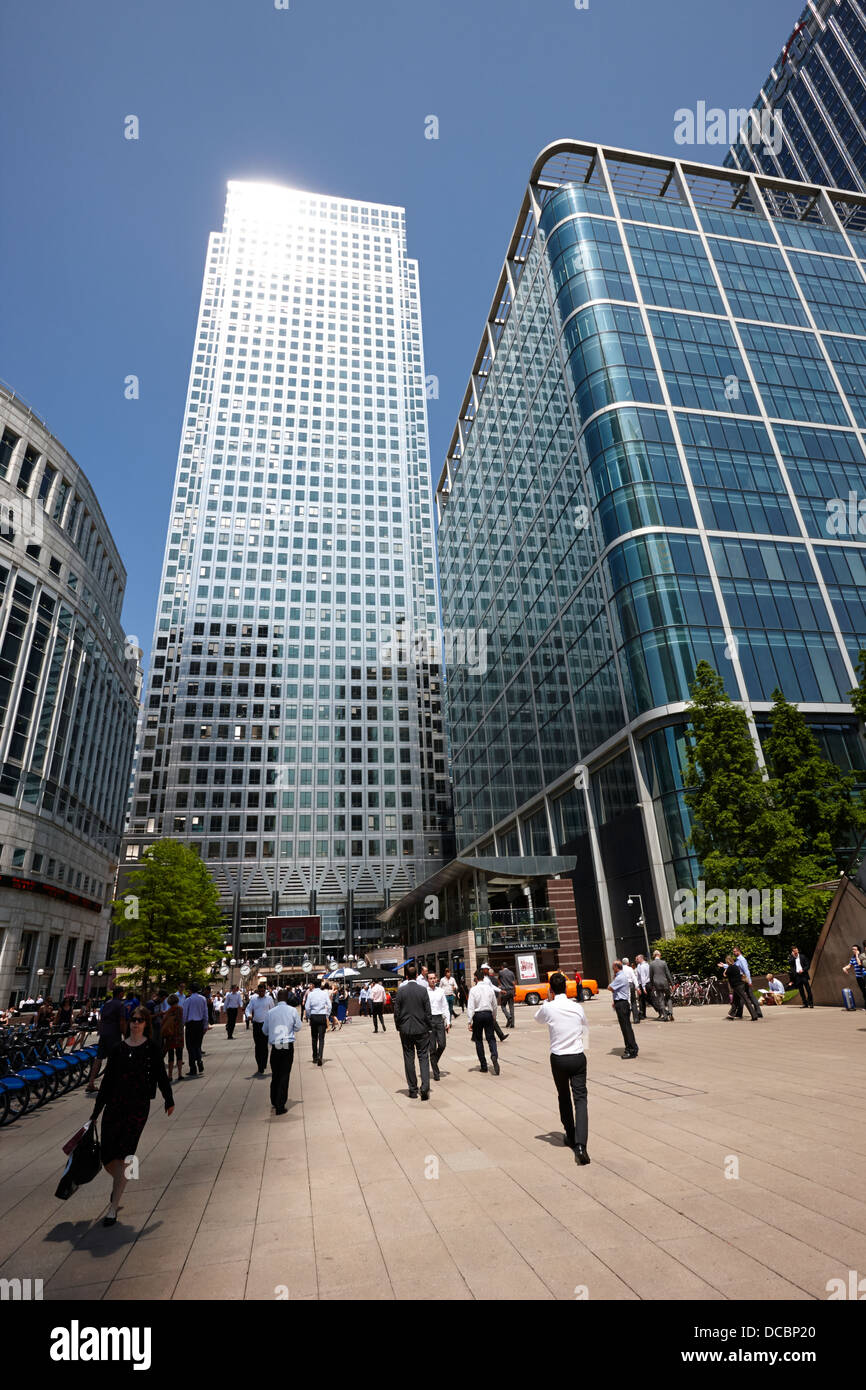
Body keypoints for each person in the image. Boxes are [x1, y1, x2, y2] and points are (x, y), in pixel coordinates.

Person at [91, 1006, 174, 1227]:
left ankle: (113, 1206)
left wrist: (169, 1098)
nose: (135, 1023)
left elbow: (160, 1074)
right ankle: (123, 1178)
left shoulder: (151, 1049)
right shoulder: (118, 1049)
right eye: (133, 1020)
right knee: (108, 1156)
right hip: (115, 1104)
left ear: (146, 1024)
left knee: (125, 1153)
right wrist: (95, 1113)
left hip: (138, 1106)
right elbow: (107, 1081)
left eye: (139, 1020)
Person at [535, 970, 590, 1164]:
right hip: (577, 1056)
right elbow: (585, 1028)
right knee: (581, 1099)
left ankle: (570, 1133)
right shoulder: (576, 1007)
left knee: (563, 1096)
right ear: (566, 987)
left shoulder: (549, 1007)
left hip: (558, 1058)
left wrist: (546, 1001)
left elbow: (537, 1018)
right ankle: (581, 1145)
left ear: (551, 989)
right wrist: (583, 1047)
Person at [393, 965, 433, 1099]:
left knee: (409, 1058)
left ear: (406, 977)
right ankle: (425, 1087)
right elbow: (428, 1011)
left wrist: (398, 1026)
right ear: (416, 976)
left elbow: (396, 1012)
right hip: (422, 1029)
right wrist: (429, 1026)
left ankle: (412, 1089)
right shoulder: (423, 990)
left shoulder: (401, 991)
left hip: (406, 1030)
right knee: (423, 1058)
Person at [262, 988, 303, 1114]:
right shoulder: (292, 1010)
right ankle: (280, 1104)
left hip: (276, 1045)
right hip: (286, 1044)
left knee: (276, 1073)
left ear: (277, 998)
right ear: (287, 998)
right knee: (284, 1074)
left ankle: (274, 1100)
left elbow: (264, 1030)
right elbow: (298, 1027)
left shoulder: (270, 1012)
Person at [85, 986, 127, 1092]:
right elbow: (122, 1021)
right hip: (114, 1034)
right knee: (114, 1059)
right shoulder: (120, 1005)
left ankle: (91, 1083)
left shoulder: (106, 1004)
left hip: (104, 1033)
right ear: (120, 993)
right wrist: (125, 1035)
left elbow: (100, 1019)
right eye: (123, 992)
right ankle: (111, 1083)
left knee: (99, 1058)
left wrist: (101, 1030)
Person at [467, 968, 500, 1075]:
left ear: (476, 978)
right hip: (488, 1014)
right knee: (491, 1038)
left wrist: (469, 1020)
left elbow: (470, 1006)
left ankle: (483, 1065)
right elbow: (494, 1004)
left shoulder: (473, 990)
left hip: (478, 1015)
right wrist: (494, 1016)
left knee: (478, 1040)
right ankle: (494, 1055)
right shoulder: (490, 989)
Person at [608, 961, 639, 1058]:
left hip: (622, 1004)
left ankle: (631, 1049)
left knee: (626, 1028)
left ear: (617, 967)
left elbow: (609, 987)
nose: (612, 969)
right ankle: (630, 1047)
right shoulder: (620, 976)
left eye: (613, 967)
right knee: (625, 1027)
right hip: (621, 1002)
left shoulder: (620, 977)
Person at [246, 981, 275, 1073]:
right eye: (260, 991)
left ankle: (264, 1063)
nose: (261, 993)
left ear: (265, 991)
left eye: (263, 991)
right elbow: (248, 1009)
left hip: (265, 1025)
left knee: (264, 1045)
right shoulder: (254, 999)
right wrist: (249, 1015)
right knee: (258, 1046)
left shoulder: (269, 999)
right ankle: (259, 1065)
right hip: (256, 1024)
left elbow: (273, 1010)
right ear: (257, 991)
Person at [719, 955, 760, 1020]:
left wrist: (725, 968)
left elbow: (724, 975)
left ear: (727, 962)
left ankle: (754, 1015)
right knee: (735, 1001)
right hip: (740, 985)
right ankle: (731, 1015)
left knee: (746, 1000)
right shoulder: (736, 967)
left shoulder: (730, 968)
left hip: (737, 986)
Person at [426, 973, 451, 1081]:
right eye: (430, 978)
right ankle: (436, 1072)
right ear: (427, 980)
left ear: (436, 979)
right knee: (432, 1048)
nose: (432, 980)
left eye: (434, 978)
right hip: (430, 1020)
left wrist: (448, 1021)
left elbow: (445, 1007)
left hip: (439, 1020)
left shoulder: (441, 991)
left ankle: (434, 1061)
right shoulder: (424, 992)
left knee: (442, 1044)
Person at [182, 983, 209, 1076]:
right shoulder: (203, 999)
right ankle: (199, 1061)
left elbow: (184, 1014)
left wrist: (183, 1023)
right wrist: (205, 1025)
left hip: (191, 1024)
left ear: (190, 990)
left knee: (190, 1046)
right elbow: (206, 1012)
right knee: (197, 1045)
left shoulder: (188, 1000)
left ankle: (193, 1067)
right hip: (200, 1023)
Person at [304, 978, 332, 1065]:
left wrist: (309, 1016)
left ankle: (315, 1057)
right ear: (320, 985)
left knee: (314, 1038)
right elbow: (329, 1005)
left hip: (314, 1016)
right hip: (322, 1015)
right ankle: (320, 1056)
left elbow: (307, 1007)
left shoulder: (310, 994)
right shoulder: (324, 993)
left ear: (313, 985)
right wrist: (327, 1014)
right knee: (321, 1038)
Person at [160, 994, 185, 1083]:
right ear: (177, 1001)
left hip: (170, 1035)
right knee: (179, 1054)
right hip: (179, 1034)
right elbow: (183, 1020)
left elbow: (163, 1023)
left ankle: (170, 1075)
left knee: (171, 1055)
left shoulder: (169, 1011)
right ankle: (180, 1074)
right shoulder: (180, 1009)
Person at [732, 947, 763, 1018]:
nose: (734, 953)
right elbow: (734, 967)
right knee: (747, 996)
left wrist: (749, 981)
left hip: (744, 980)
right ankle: (757, 1012)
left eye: (735, 951)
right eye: (733, 952)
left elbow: (746, 971)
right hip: (742, 980)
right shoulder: (738, 960)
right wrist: (724, 965)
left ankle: (756, 1012)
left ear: (739, 951)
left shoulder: (741, 960)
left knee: (746, 996)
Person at [480, 963, 507, 1043]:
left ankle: (500, 1035)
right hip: (484, 1001)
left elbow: (491, 986)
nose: (488, 971)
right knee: (488, 1019)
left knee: (490, 1019)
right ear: (483, 970)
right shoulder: (482, 979)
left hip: (488, 1001)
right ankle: (499, 1035)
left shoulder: (487, 978)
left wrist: (500, 990)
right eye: (487, 969)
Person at [649, 950, 674, 1021]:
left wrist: (651, 984)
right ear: (659, 955)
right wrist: (672, 984)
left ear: (654, 956)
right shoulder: (663, 963)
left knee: (660, 999)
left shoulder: (651, 964)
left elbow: (650, 975)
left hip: (657, 983)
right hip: (665, 982)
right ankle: (670, 1012)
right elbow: (668, 974)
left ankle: (665, 1016)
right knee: (668, 997)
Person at [842, 944, 866, 1009]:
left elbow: (859, 963)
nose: (853, 950)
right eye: (853, 949)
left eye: (855, 949)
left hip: (863, 976)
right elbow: (850, 965)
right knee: (863, 991)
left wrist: (857, 955)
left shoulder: (861, 956)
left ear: (858, 950)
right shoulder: (853, 958)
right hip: (858, 977)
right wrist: (844, 968)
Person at [621, 958, 640, 1025]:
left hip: (623, 985)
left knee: (625, 1002)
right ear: (628, 963)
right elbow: (634, 978)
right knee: (633, 1001)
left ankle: (626, 1019)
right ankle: (636, 1019)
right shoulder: (630, 969)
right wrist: (637, 987)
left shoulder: (621, 969)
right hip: (630, 985)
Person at [498, 963, 516, 1029]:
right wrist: (515, 991)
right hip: (511, 991)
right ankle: (512, 1024)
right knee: (511, 1007)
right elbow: (514, 983)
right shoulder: (511, 973)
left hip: (505, 991)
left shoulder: (500, 972)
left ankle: (508, 1017)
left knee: (503, 1006)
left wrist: (501, 985)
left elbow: (498, 980)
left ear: (502, 966)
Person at [635, 954, 651, 1020]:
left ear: (641, 958)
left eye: (637, 959)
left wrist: (643, 987)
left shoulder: (642, 966)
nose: (636, 960)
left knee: (647, 999)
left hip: (643, 984)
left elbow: (642, 977)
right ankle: (642, 1014)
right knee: (642, 1000)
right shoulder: (645, 965)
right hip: (646, 984)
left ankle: (661, 1011)